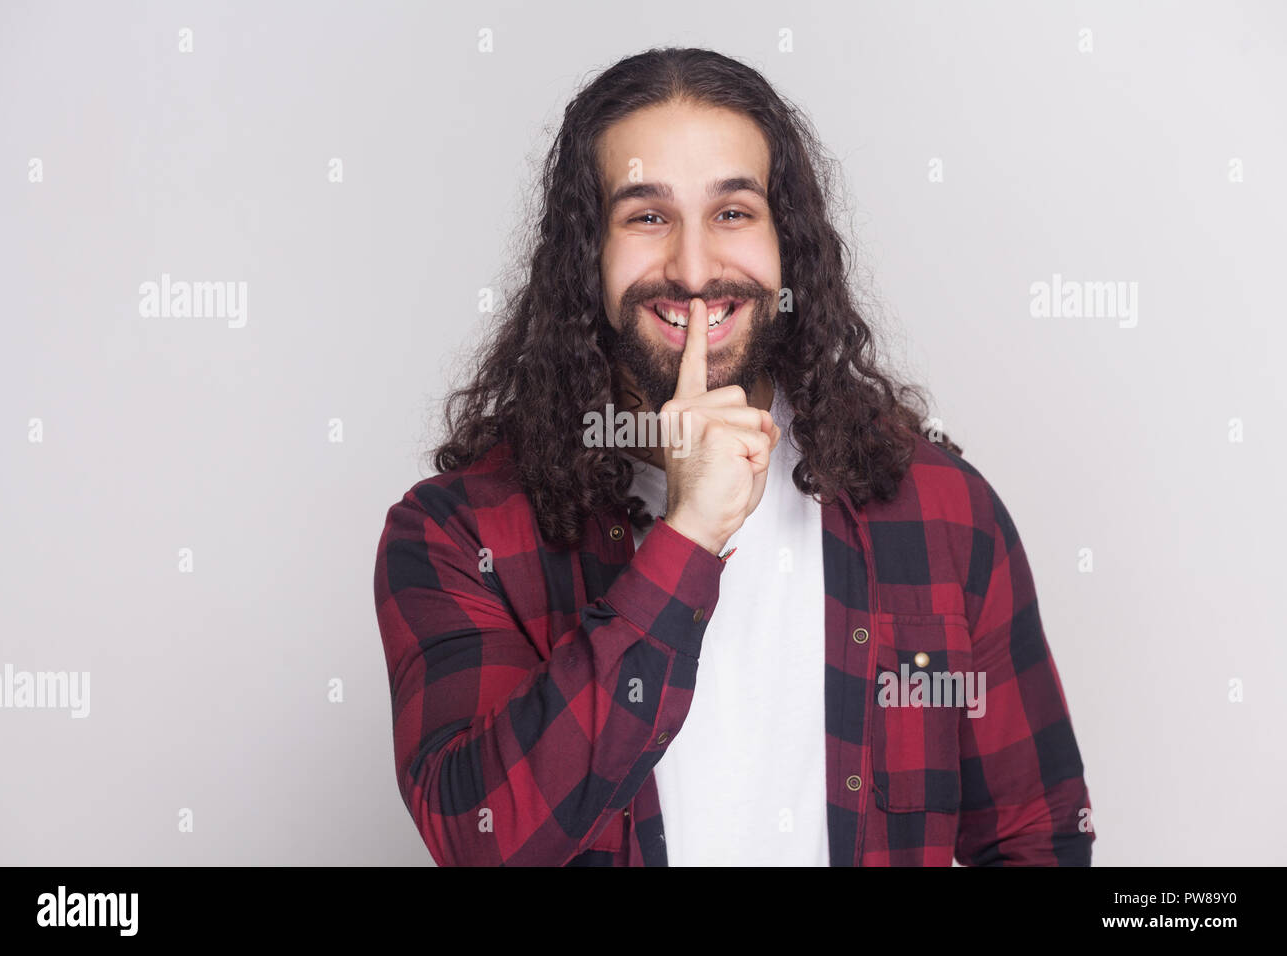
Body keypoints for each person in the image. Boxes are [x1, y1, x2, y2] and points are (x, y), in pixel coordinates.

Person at [373, 47, 1093, 866]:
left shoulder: (940, 508)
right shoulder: (458, 533)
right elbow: (481, 836)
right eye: (647, 217)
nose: (693, 269)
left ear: (787, 244)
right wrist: (687, 538)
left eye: (733, 213)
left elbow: (1036, 834)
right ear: (586, 258)